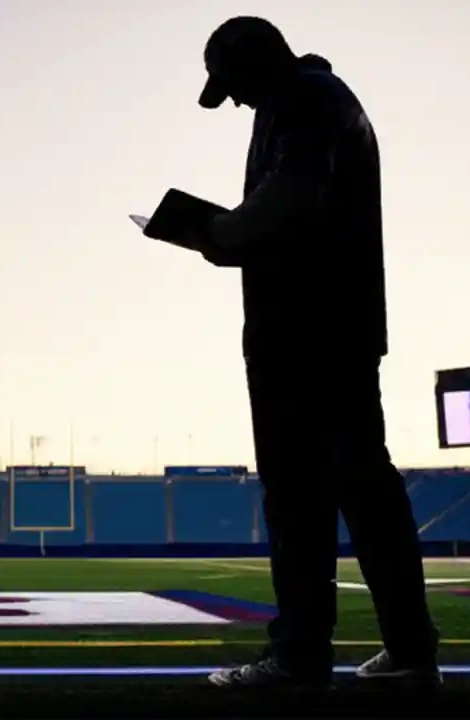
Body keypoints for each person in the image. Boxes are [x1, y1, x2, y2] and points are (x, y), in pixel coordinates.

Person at [186, 16, 441, 690]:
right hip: (342, 323)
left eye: (233, 85)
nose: (235, 101)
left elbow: (294, 197)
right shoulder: (324, 98)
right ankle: (412, 651)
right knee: (367, 490)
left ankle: (299, 656)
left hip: (302, 329)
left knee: (298, 497)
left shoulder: (299, 98)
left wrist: (217, 232)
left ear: (253, 62)